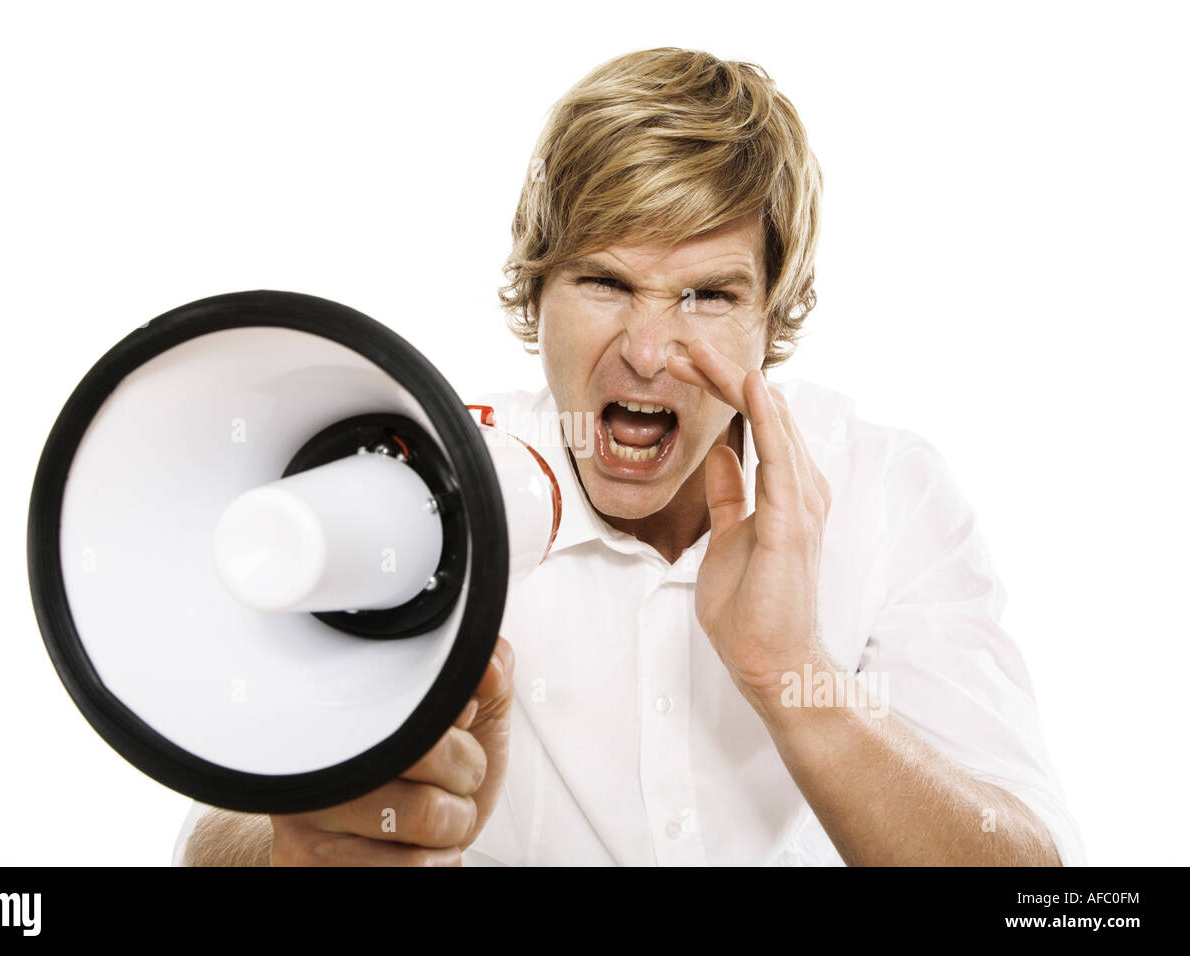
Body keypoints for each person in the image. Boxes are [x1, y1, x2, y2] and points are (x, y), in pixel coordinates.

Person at [175, 47, 1083, 866]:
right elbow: (213, 842)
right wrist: (314, 842)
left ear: (772, 320)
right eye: (605, 281)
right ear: (537, 294)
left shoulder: (890, 494)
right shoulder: (421, 490)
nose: (649, 351)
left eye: (708, 295)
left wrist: (790, 677)